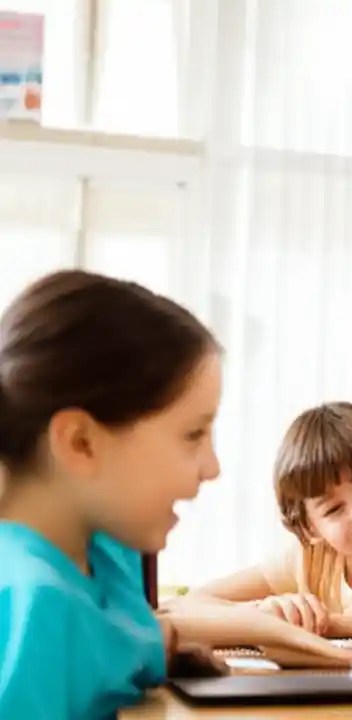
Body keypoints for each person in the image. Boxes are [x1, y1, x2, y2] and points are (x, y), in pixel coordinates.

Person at [0, 270, 223, 717]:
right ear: (80, 442)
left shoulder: (102, 556)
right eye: (193, 435)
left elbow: (129, 641)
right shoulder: (34, 604)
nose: (212, 468)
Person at [175, 402, 352, 637]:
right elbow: (191, 604)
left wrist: (332, 624)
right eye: (334, 509)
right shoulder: (311, 561)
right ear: (308, 526)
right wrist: (266, 614)